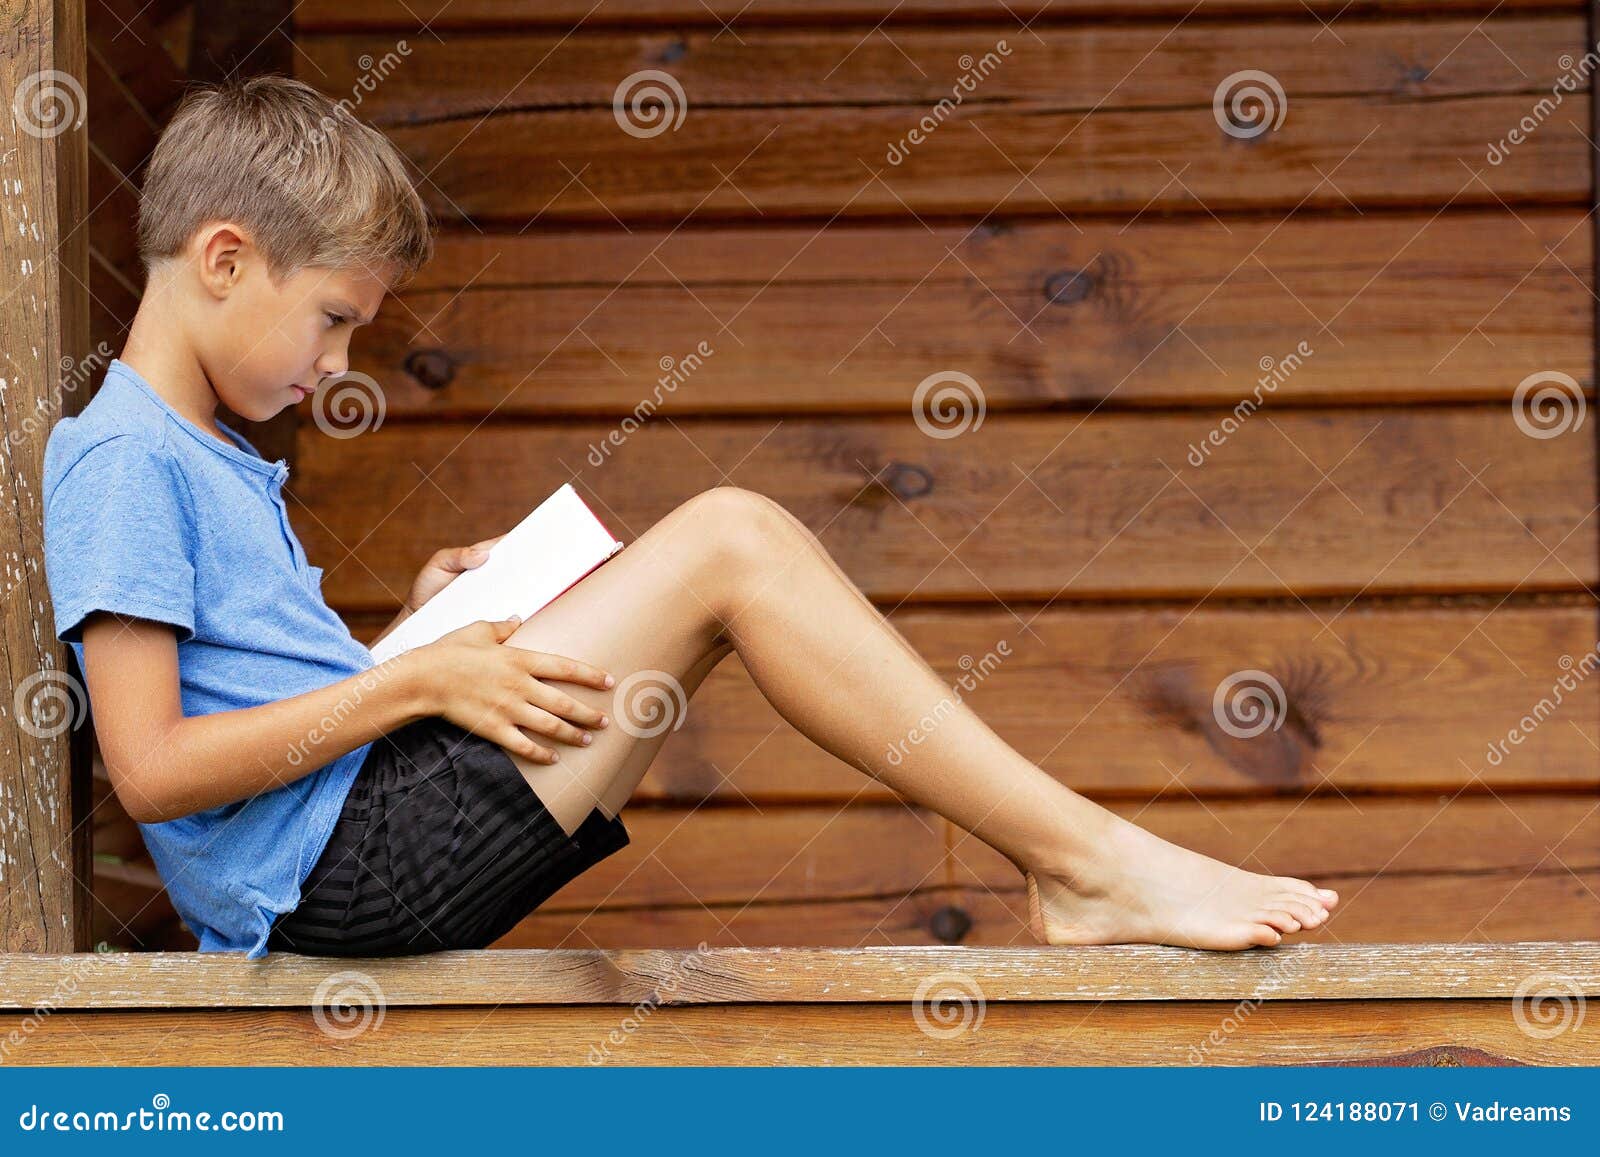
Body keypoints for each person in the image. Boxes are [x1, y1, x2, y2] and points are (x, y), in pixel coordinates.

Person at [41, 75, 1336, 961]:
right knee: (732, 541)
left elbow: (268, 727)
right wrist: (413, 684)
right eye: (333, 319)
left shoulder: (201, 455)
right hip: (342, 883)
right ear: (225, 259)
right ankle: (1085, 861)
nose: (336, 365)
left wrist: (415, 640)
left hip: (359, 845)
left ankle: (1082, 861)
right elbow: (151, 768)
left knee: (722, 566)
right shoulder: (124, 458)